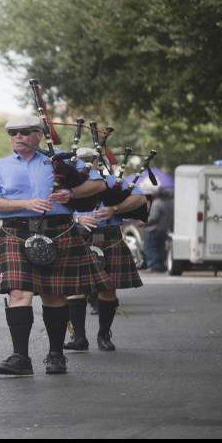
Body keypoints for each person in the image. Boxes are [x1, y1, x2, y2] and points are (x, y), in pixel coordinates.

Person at [0, 116, 110, 375]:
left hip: (58, 230)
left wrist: (71, 193)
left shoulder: (61, 160)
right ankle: (20, 358)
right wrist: (25, 203)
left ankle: (56, 355)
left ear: (39, 134)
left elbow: (98, 184)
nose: (18, 136)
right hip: (15, 232)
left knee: (54, 294)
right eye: (13, 133)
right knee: (18, 293)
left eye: (25, 132)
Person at [65, 151, 146, 352]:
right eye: (83, 160)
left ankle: (103, 335)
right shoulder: (68, 184)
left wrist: (114, 209)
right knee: (75, 288)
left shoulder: (112, 182)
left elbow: (139, 198)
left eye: (91, 160)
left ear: (99, 162)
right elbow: (54, 206)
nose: (87, 164)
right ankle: (79, 338)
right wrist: (77, 218)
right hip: (78, 236)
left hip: (108, 236)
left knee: (108, 288)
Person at [144, 187, 173, 272]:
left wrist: (144, 222)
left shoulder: (157, 203)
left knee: (151, 248)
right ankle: (161, 265)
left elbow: (154, 217)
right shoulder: (170, 203)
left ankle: (154, 265)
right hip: (164, 229)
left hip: (153, 229)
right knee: (161, 248)